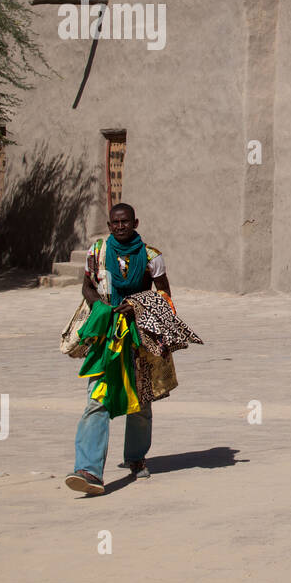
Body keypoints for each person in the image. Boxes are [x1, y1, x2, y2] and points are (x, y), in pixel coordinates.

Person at [64, 203, 172, 496]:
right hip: (106, 336)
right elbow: (87, 286)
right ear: (109, 225)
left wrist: (137, 306)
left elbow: (163, 293)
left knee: (140, 398)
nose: (120, 226)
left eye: (125, 221)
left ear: (135, 222)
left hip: (138, 335)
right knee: (97, 397)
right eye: (115, 222)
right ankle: (88, 470)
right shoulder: (97, 252)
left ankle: (136, 458)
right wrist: (100, 304)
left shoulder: (151, 256)